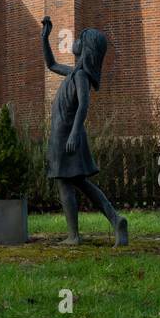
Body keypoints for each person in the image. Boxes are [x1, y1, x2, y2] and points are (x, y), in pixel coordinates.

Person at [41, 17, 128, 245]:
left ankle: (73, 236)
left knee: (64, 183)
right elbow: (51, 64)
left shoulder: (80, 76)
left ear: (86, 50)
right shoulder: (72, 72)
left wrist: (73, 133)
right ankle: (115, 219)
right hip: (65, 134)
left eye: (80, 38)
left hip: (67, 136)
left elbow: (84, 104)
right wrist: (44, 38)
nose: (75, 40)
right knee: (80, 183)